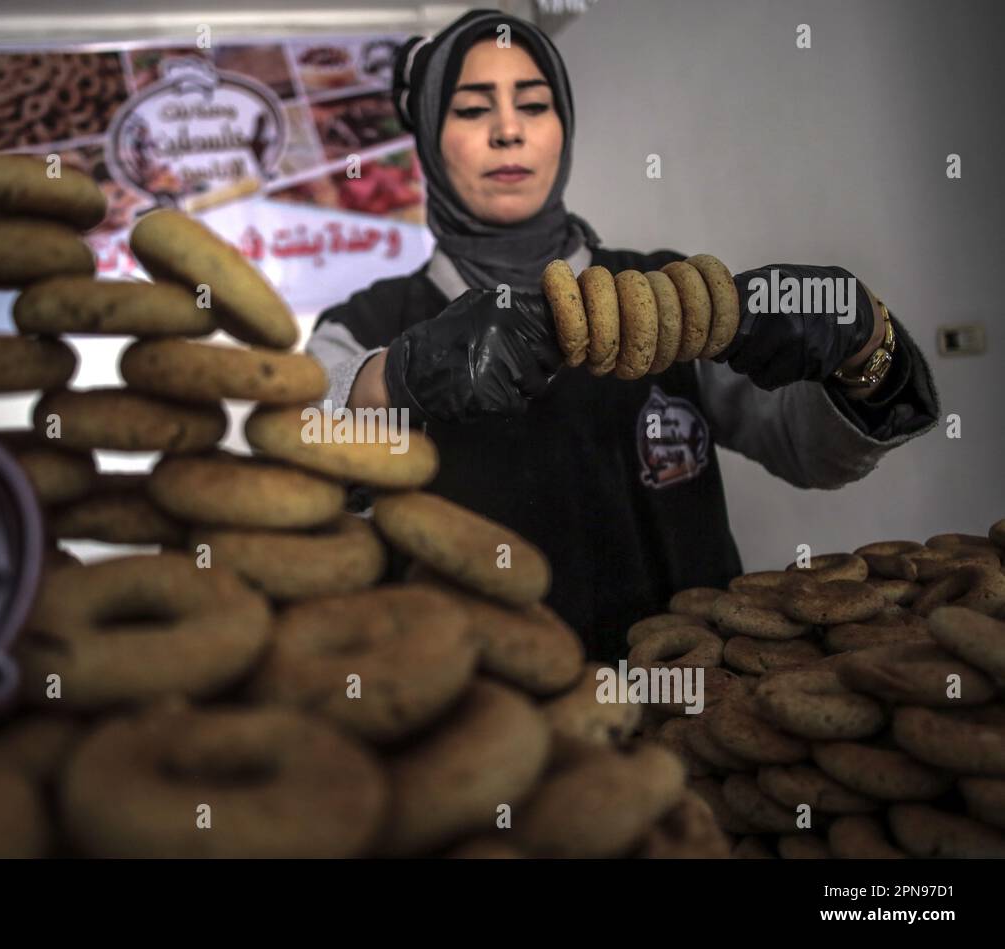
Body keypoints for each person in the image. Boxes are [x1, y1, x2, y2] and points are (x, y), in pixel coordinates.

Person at [305, 8, 941, 660]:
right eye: (471, 110)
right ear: (430, 140)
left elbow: (807, 450)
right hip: (487, 722)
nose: (508, 131)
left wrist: (865, 343)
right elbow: (308, 433)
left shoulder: (664, 292)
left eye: (534, 104)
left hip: (691, 702)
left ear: (564, 128)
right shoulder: (368, 321)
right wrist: (400, 376)